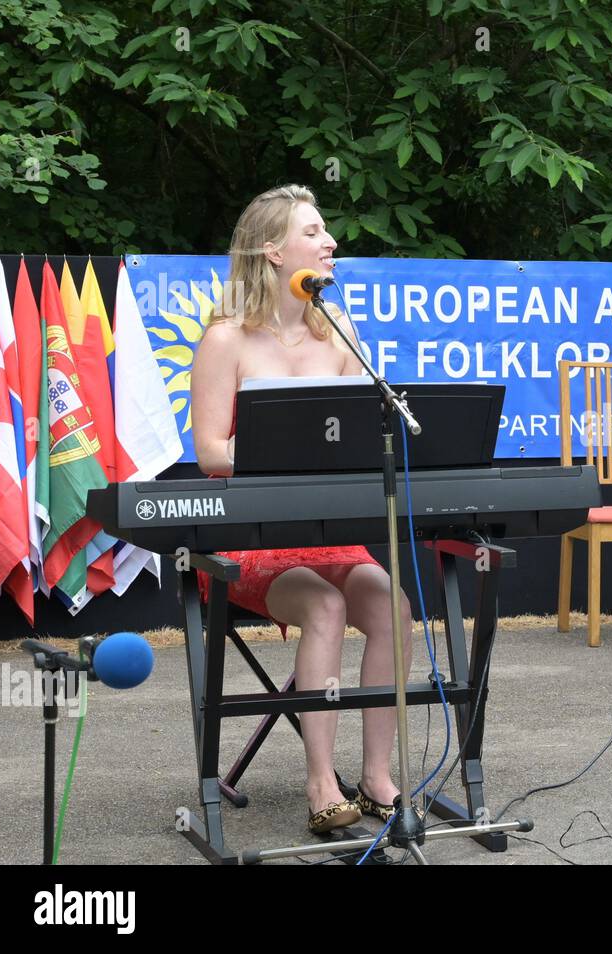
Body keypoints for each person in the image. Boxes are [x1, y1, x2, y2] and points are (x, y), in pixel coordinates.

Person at [191, 184, 414, 832]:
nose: (330, 242)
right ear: (273, 250)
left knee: (394, 606)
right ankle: (321, 784)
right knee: (325, 604)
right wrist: (276, 452)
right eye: (314, 232)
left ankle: (376, 777)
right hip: (250, 537)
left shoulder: (339, 333)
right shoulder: (227, 338)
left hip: (328, 534)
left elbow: (360, 437)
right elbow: (209, 451)